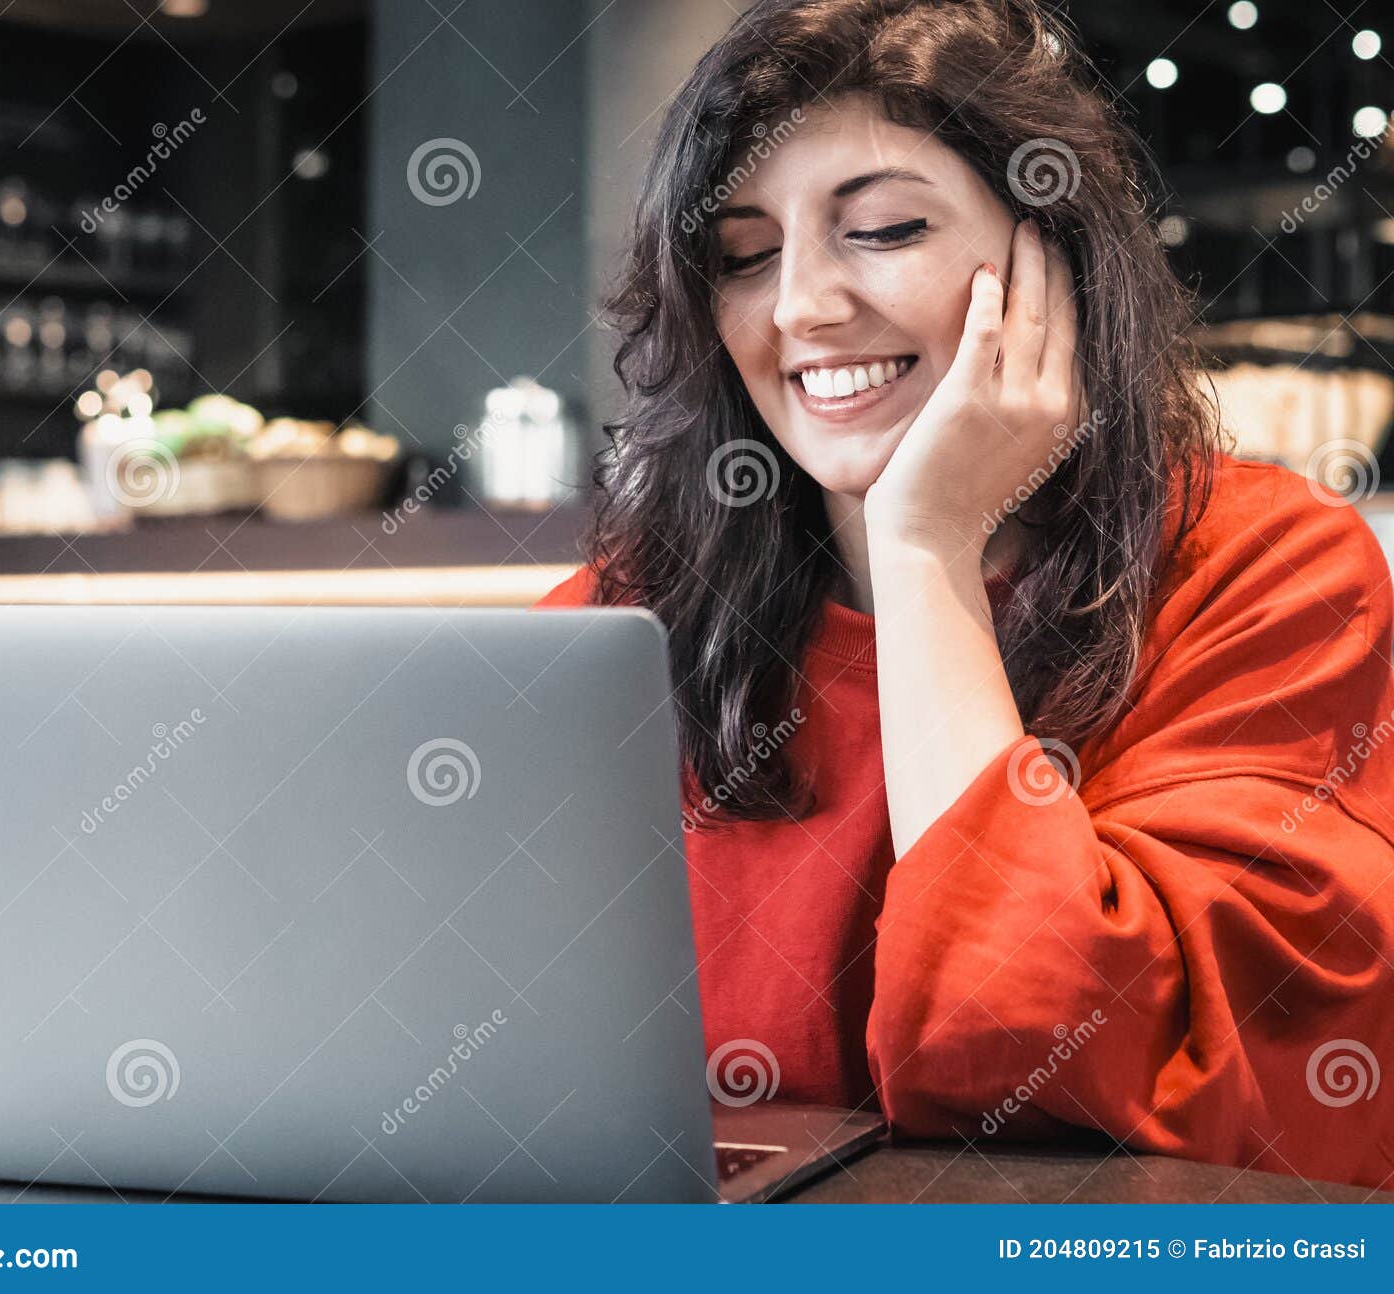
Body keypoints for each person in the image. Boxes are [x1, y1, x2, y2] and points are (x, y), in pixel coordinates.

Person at [536, 0, 1394, 1191]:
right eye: (742, 253)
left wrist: (928, 546)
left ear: (1053, 256)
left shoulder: (1264, 575)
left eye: (881, 229)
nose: (799, 306)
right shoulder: (623, 623)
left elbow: (1027, 1058)